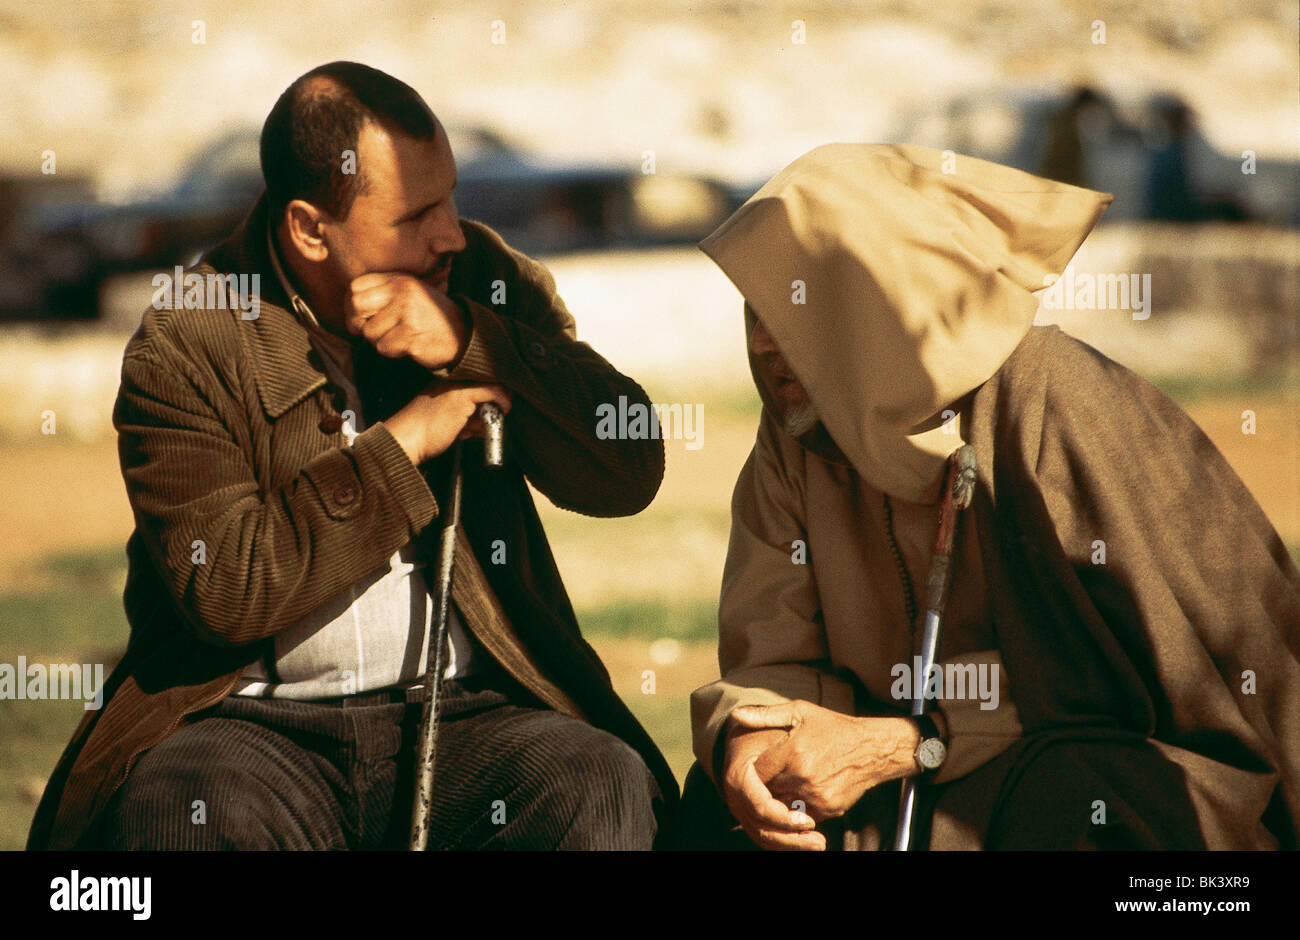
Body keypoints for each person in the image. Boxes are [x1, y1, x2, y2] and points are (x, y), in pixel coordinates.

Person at [28, 61, 676, 851]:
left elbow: (630, 464)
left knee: (597, 783)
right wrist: (406, 445)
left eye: (452, 199)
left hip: (468, 710)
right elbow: (227, 589)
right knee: (183, 809)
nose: (450, 233)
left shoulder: (478, 277)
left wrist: (476, 340)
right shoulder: (188, 339)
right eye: (416, 215)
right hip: (250, 730)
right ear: (308, 228)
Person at [677, 143, 1299, 850]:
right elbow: (772, 652)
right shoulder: (796, 436)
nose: (762, 346)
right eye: (754, 316)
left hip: (1116, 782)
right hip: (907, 787)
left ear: (878, 297)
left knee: (1073, 799)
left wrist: (916, 740)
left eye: (788, 315)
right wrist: (753, 737)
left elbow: (1148, 685)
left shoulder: (1059, 404)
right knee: (719, 818)